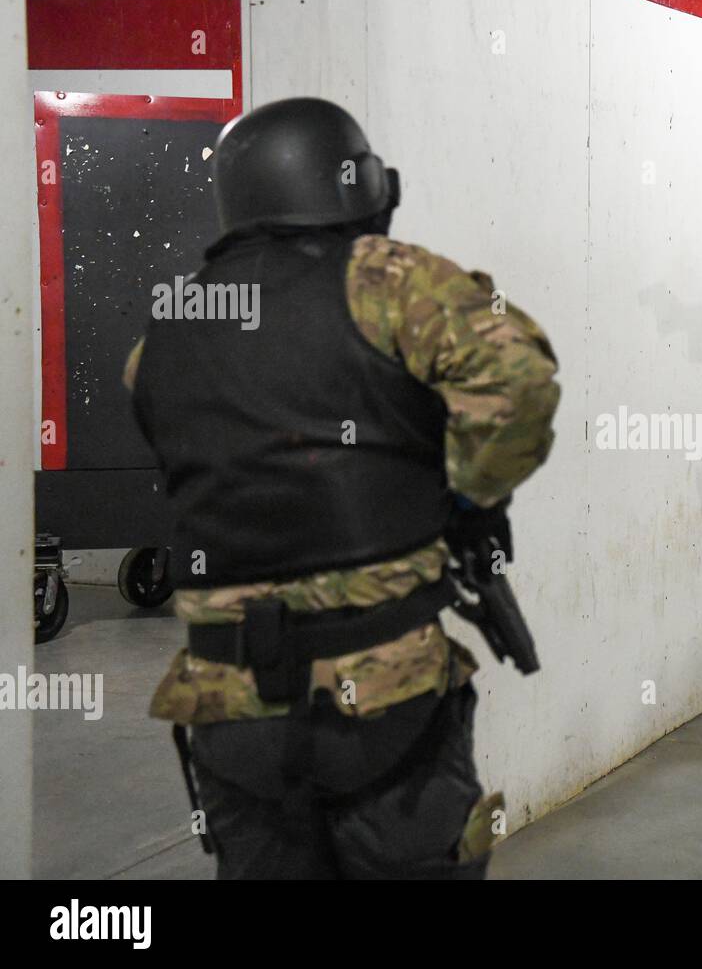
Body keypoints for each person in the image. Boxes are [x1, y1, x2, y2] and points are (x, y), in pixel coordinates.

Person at [123, 97, 560, 877]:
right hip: (381, 694)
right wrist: (468, 494)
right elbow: (518, 380)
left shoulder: (171, 322)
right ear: (353, 184)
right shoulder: (383, 278)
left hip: (226, 704)